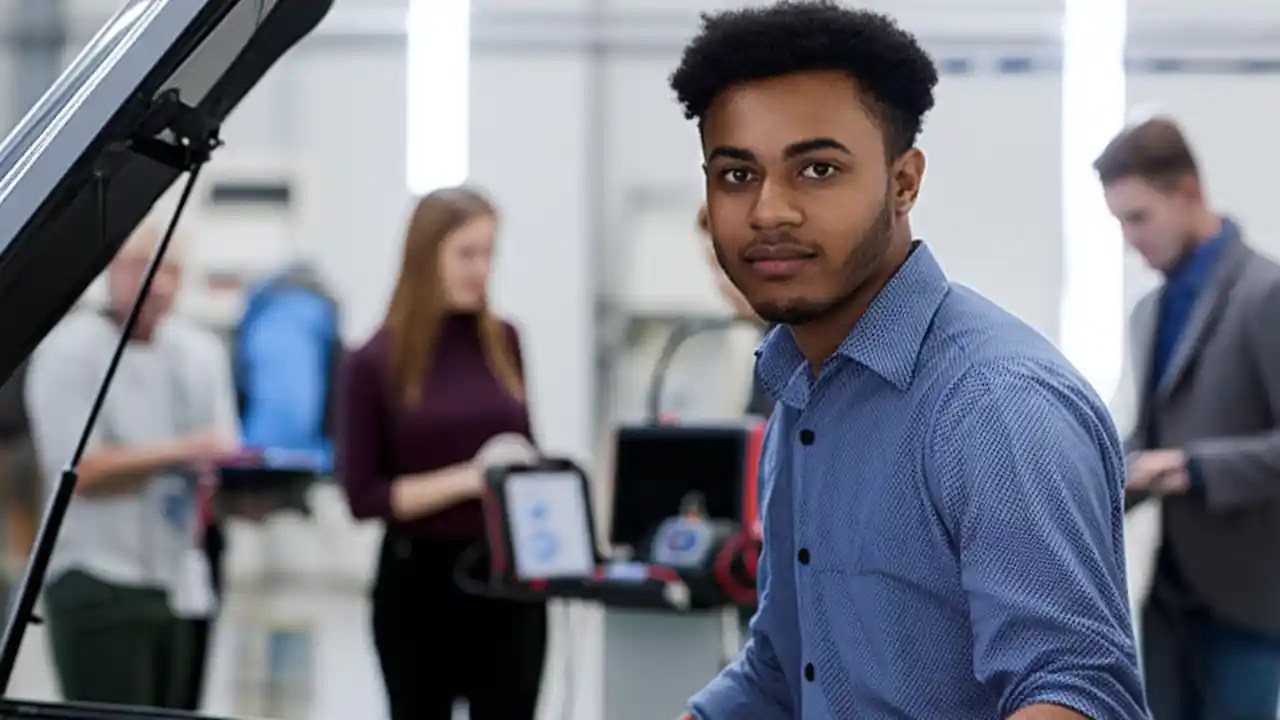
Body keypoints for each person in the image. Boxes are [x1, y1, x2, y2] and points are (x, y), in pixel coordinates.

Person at [670, 3, 1147, 718]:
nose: (769, 211)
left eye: (817, 169)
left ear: (904, 182)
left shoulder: (995, 406)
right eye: (737, 176)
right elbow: (781, 669)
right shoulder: (803, 391)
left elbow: (1074, 694)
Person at [336, 186, 546, 720]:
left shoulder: (505, 342)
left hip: (508, 581)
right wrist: (473, 478)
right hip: (418, 589)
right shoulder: (372, 362)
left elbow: (525, 451)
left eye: (489, 253)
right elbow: (363, 496)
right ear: (426, 257)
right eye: (466, 254)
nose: (481, 269)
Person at [1096, 117, 1280, 720]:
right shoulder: (1149, 310)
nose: (1129, 238)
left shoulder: (1265, 294)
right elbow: (1150, 438)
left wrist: (1194, 468)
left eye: (1138, 218)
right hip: (1166, 598)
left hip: (1248, 602)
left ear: (1189, 194)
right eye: (1119, 221)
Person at [25, 222, 239, 709]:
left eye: (171, 268)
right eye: (142, 265)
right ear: (109, 268)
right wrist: (186, 451)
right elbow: (82, 473)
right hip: (95, 576)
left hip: (182, 578)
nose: (157, 282)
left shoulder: (199, 352)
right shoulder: (70, 351)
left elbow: (224, 451)